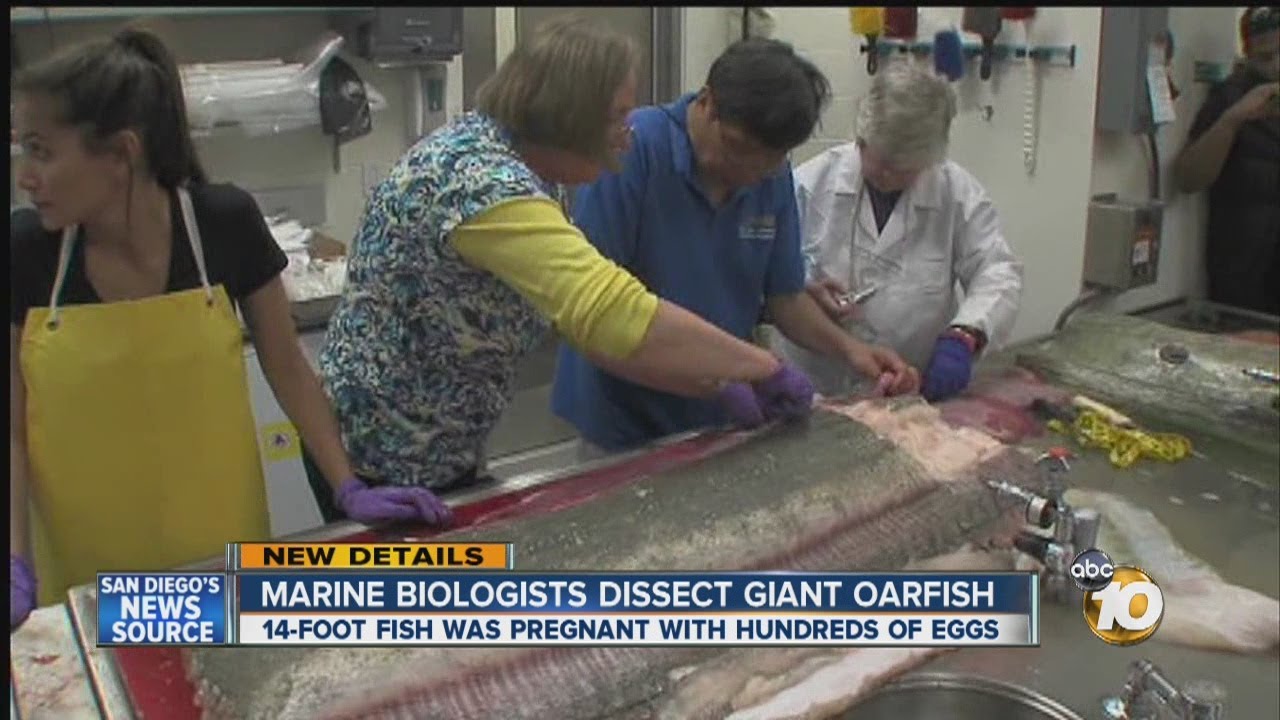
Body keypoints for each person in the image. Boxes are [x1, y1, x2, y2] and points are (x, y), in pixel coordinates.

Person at [8, 29, 445, 630]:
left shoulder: (222, 225)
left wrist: (347, 486)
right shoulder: (26, 252)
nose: (25, 176)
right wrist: (14, 559)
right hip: (87, 574)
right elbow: (11, 429)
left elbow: (288, 368)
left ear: (120, 153)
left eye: (40, 151)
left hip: (220, 556)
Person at [316, 17, 815, 502]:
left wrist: (714, 381)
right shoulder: (479, 183)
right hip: (379, 459)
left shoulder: (521, 164)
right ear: (567, 117)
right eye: (617, 118)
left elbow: (591, 330)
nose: (629, 134)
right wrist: (762, 367)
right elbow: (608, 310)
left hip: (443, 446)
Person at [551, 39, 916, 454]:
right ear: (706, 103)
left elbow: (786, 298)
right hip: (623, 418)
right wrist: (718, 380)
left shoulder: (769, 175)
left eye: (769, 160)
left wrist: (853, 351)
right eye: (738, 149)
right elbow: (592, 312)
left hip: (719, 420)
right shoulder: (634, 149)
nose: (750, 171)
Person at [772, 61, 1023, 402]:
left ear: (930, 160)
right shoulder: (808, 185)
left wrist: (965, 334)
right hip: (816, 387)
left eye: (903, 169)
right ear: (861, 140)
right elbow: (767, 274)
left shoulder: (955, 193)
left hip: (911, 386)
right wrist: (805, 287)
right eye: (881, 162)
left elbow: (997, 272)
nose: (887, 177)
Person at [1173, 6, 1279, 316]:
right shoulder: (1230, 98)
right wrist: (1232, 120)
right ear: (1248, 55)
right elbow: (1188, 179)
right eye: (1265, 57)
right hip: (1243, 285)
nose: (1276, 67)